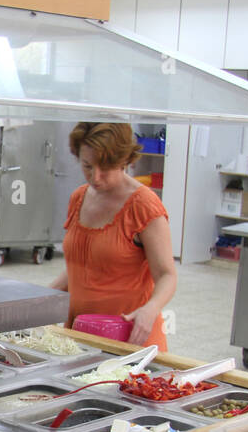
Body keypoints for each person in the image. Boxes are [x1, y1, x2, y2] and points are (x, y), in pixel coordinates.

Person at [50, 122, 176, 349]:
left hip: (129, 338)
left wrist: (151, 309)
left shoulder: (144, 206)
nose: (95, 177)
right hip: (81, 337)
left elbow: (167, 275)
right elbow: (80, 268)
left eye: (105, 168)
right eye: (87, 166)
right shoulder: (79, 198)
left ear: (124, 161)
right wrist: (36, 299)